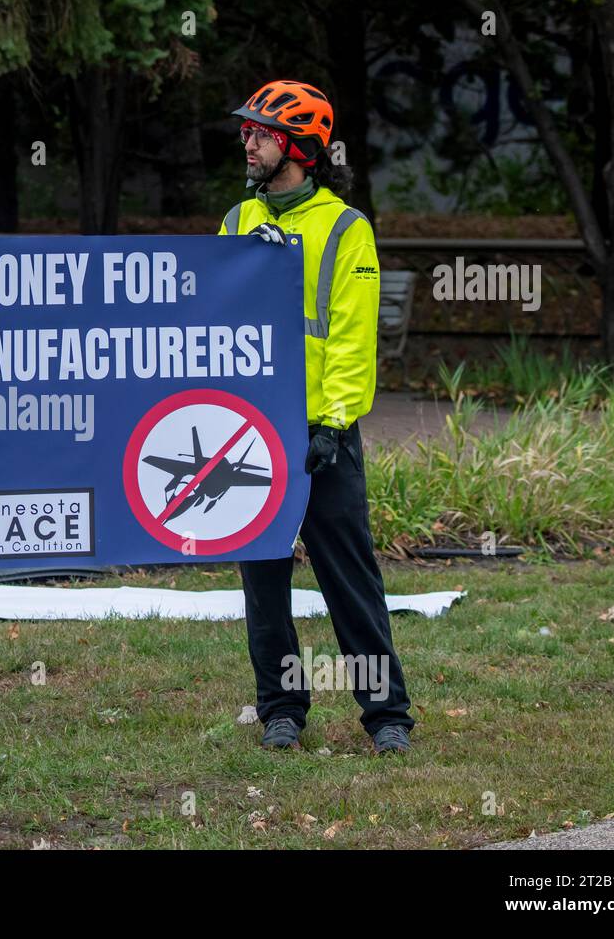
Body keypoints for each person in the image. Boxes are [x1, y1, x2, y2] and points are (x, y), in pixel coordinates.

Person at [218, 79, 414, 754]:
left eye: (261, 133)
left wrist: (332, 426)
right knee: (263, 580)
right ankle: (280, 709)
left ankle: (387, 714)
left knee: (348, 576)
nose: (248, 141)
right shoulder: (236, 222)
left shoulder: (344, 229)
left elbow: (353, 340)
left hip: (320, 433)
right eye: (247, 131)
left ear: (298, 147)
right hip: (250, 432)